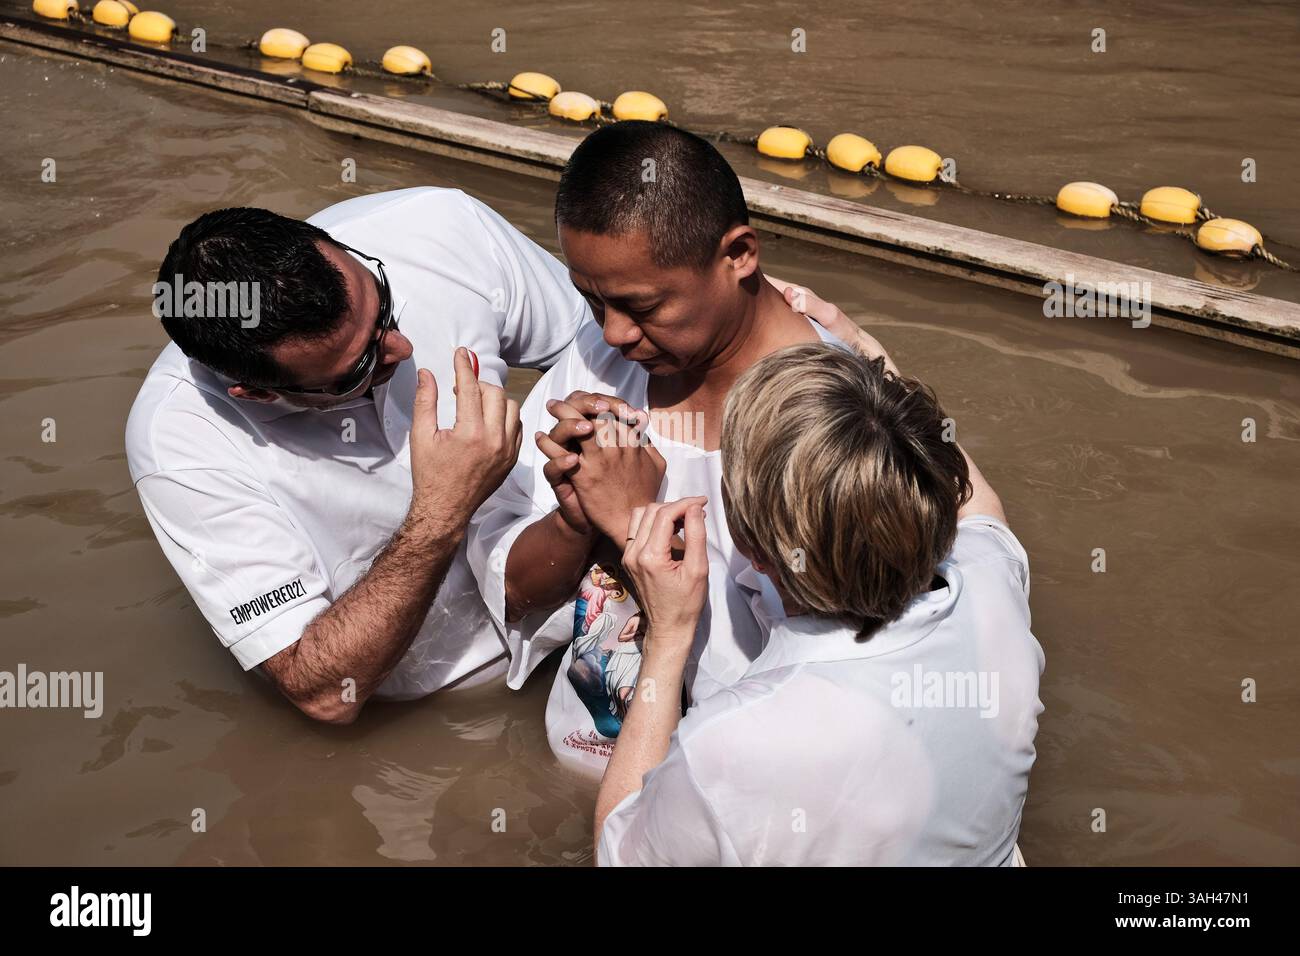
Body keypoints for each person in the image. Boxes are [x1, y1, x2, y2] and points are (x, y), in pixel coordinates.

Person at [466, 121, 852, 775]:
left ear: (738, 255)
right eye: (591, 300)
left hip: (723, 806)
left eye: (641, 306)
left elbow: (824, 693)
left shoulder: (832, 421)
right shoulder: (600, 357)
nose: (614, 333)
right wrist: (574, 519)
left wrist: (631, 522)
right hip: (591, 779)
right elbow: (512, 595)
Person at [126, 187, 588, 722]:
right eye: (361, 366)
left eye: (384, 305)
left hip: (594, 597)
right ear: (256, 394)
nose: (401, 348)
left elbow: (605, 343)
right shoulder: (180, 444)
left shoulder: (437, 227)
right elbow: (320, 691)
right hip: (449, 711)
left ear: (327, 245)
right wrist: (440, 514)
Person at [596, 340, 1045, 866]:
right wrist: (866, 360)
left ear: (750, 546)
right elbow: (981, 507)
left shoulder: (731, 744)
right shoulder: (993, 591)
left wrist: (669, 637)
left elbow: (617, 850)